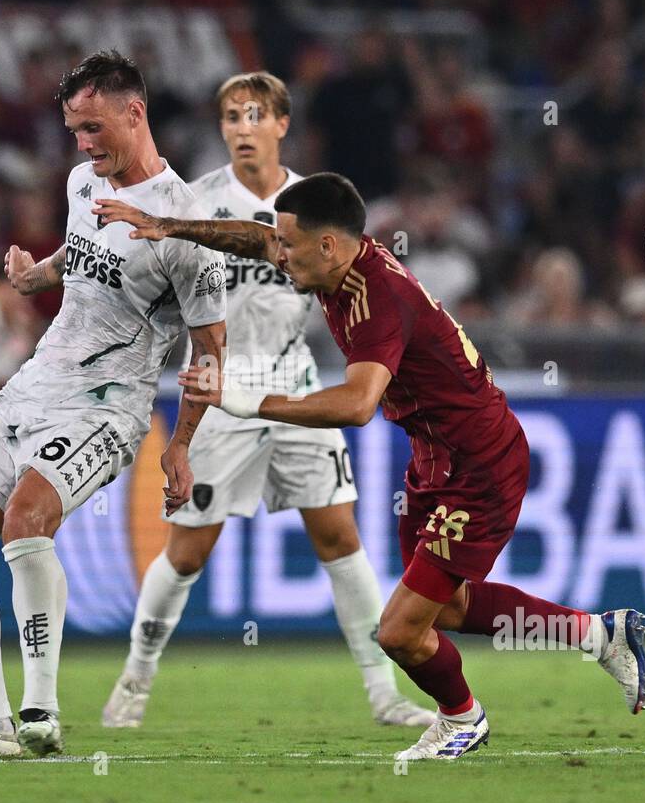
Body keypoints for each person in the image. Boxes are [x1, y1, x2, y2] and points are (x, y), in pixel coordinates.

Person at [94, 172, 645, 760]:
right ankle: (598, 634)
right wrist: (169, 226)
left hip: (479, 465)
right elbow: (250, 238)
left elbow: (357, 405)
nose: (276, 254)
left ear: (327, 246)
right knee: (449, 608)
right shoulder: (333, 259)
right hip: (435, 459)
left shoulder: (376, 300)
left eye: (287, 245)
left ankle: (463, 719)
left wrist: (238, 397)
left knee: (400, 631)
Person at [102, 72, 434, 730]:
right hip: (221, 386)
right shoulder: (197, 203)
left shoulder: (313, 207)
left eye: (255, 115)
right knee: (189, 551)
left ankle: (384, 694)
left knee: (340, 536)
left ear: (283, 124)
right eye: (230, 117)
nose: (242, 128)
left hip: (296, 378)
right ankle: (134, 682)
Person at [0, 51, 227, 760]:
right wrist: (40, 273)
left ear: (136, 112)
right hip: (36, 381)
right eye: (74, 131)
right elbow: (82, 247)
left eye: (95, 128)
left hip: (109, 403)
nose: (86, 145)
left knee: (26, 522)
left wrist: (180, 444)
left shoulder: (188, 227)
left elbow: (211, 348)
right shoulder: (80, 182)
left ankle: (40, 712)